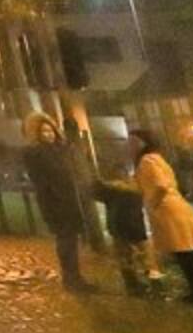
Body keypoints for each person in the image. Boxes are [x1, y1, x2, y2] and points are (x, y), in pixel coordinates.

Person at [133, 130, 193, 304]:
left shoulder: (147, 160)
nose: (129, 145)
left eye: (133, 141)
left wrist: (153, 203)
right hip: (174, 208)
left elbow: (160, 185)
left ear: (144, 142)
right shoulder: (156, 158)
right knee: (188, 252)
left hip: (168, 210)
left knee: (184, 253)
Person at [21, 112, 93, 294]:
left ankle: (74, 277)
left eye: (50, 130)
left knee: (71, 240)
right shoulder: (36, 153)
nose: (49, 134)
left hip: (70, 200)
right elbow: (43, 181)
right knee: (66, 241)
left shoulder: (61, 150)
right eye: (44, 132)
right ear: (37, 134)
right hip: (56, 203)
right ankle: (71, 279)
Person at [96, 174, 152, 296]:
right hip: (128, 225)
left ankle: (135, 283)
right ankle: (136, 283)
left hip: (122, 226)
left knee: (127, 255)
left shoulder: (114, 190)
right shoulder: (124, 190)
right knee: (130, 254)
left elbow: (97, 193)